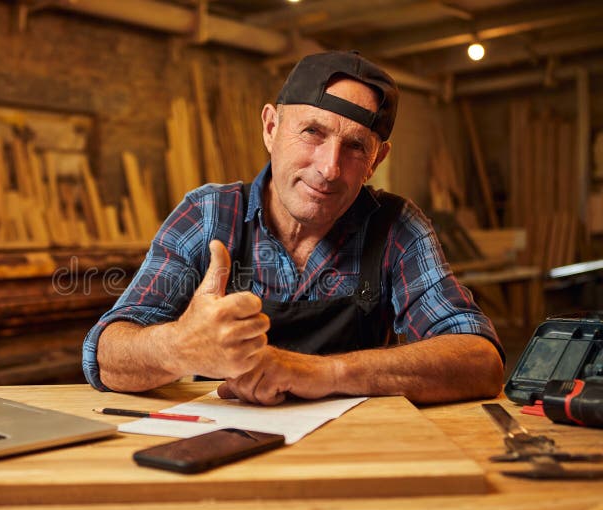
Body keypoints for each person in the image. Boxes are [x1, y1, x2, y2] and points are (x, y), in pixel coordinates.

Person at [82, 50, 504, 406]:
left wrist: (327, 372)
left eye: (355, 146)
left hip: (355, 454)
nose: (329, 168)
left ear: (377, 160)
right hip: (220, 450)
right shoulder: (209, 215)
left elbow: (480, 361)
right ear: (271, 128)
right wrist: (179, 347)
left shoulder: (395, 227)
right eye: (312, 132)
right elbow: (106, 354)